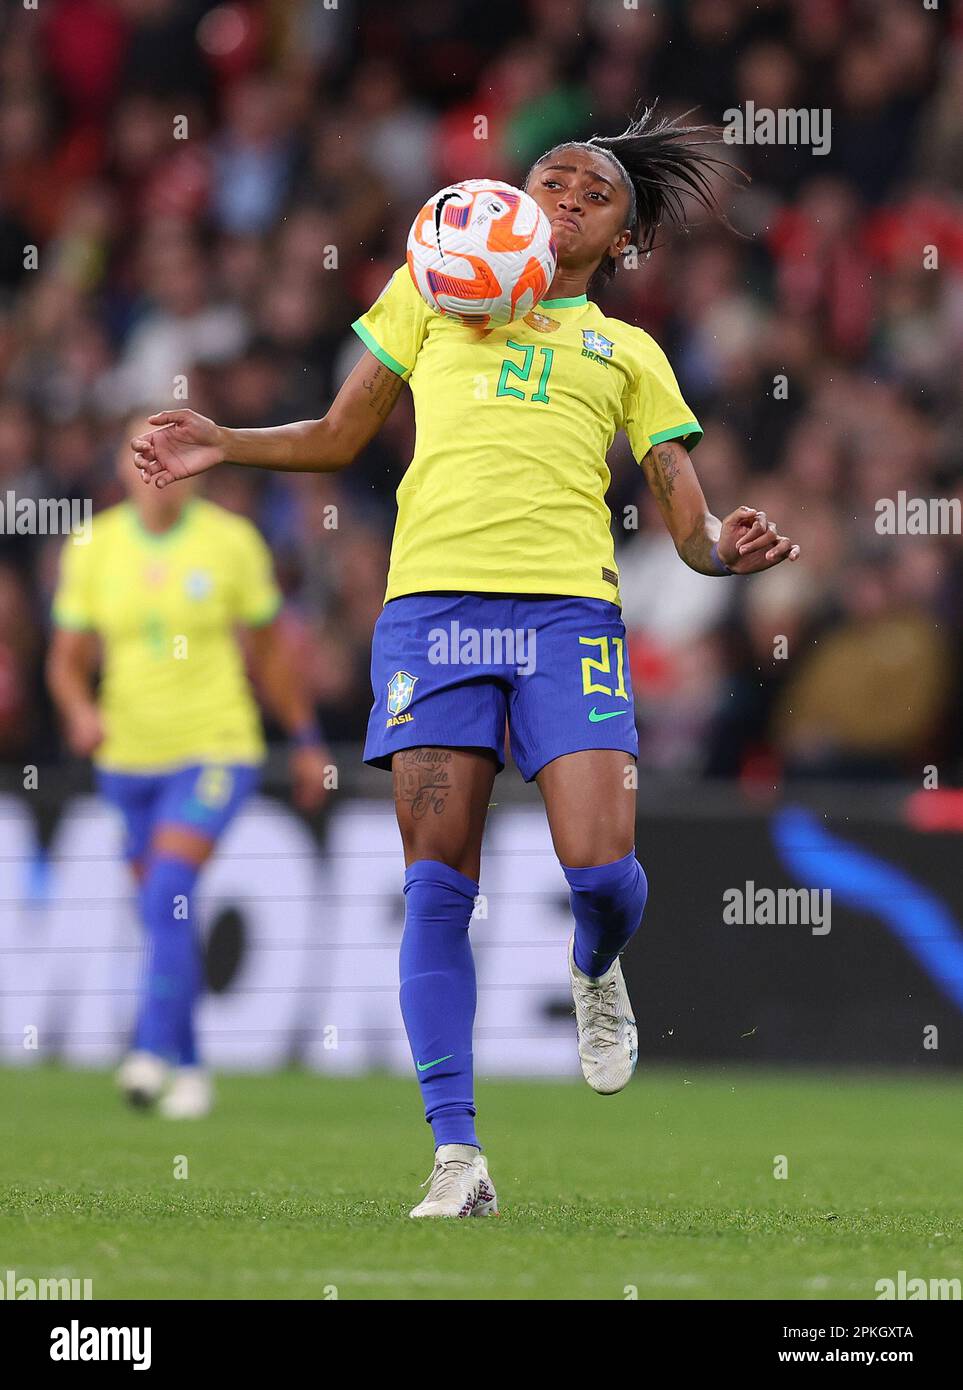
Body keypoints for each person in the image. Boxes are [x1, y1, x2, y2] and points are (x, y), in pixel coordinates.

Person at [130, 110, 800, 1204]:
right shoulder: (431, 291)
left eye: (595, 194)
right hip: (431, 616)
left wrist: (730, 548)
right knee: (437, 883)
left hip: (565, 619)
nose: (567, 197)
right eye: (552, 178)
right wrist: (226, 442)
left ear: (626, 241)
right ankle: (457, 1155)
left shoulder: (629, 354)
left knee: (601, 871)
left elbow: (690, 525)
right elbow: (340, 434)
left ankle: (594, 962)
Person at [48, 418, 330, 1118]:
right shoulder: (93, 546)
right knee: (162, 910)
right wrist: (79, 711)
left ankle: (148, 1052)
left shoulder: (231, 543)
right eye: (141, 454)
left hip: (215, 747)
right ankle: (194, 1069)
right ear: (121, 468)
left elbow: (271, 653)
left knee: (169, 885)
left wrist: (305, 738)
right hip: (127, 758)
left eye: (169, 453)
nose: (155, 468)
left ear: (192, 468)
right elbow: (66, 661)